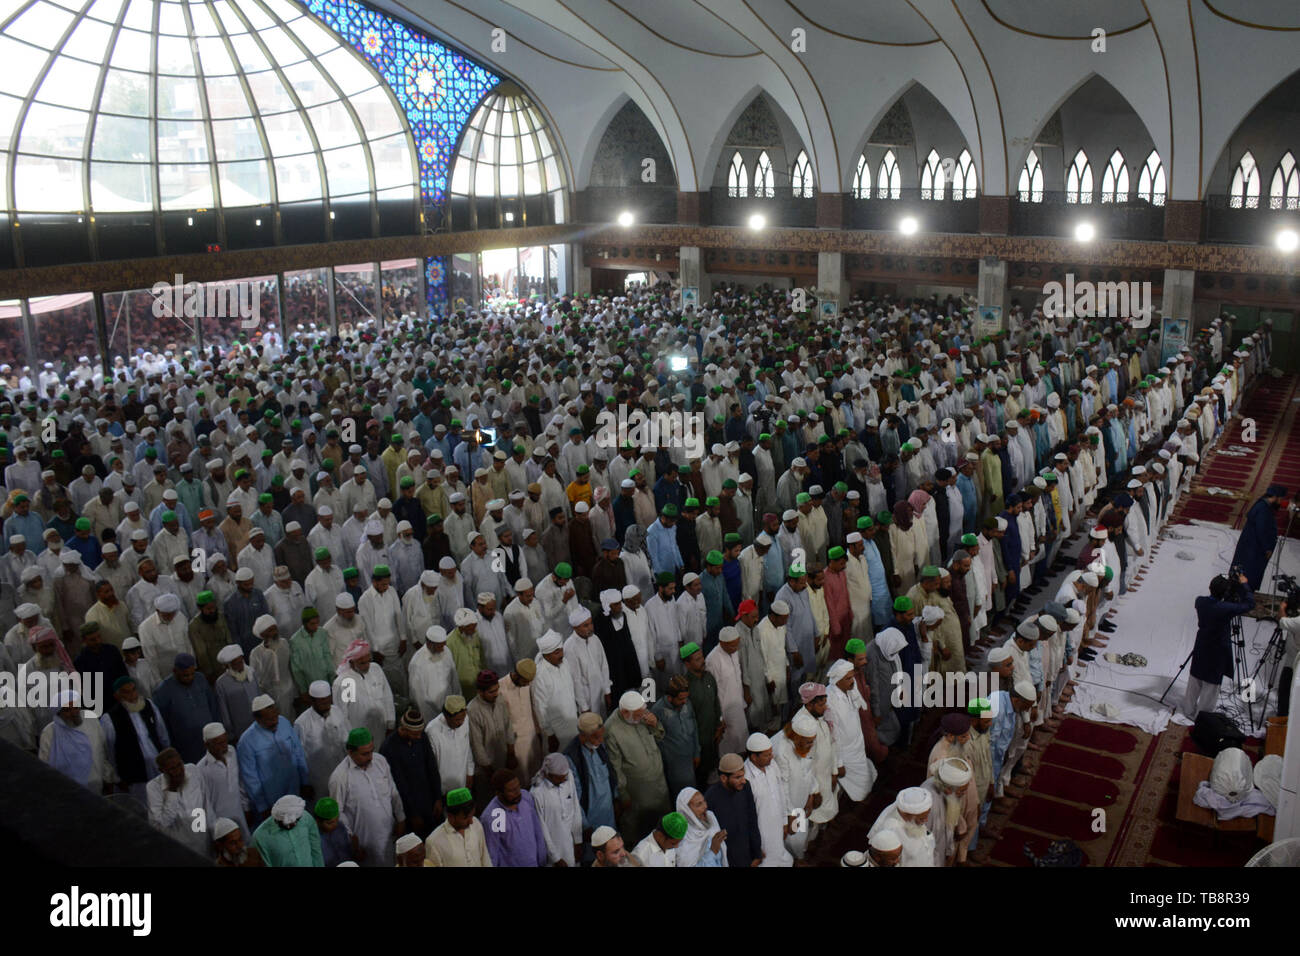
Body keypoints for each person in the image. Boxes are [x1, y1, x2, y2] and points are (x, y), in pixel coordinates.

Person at [1181, 573, 1256, 721]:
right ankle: (1203, 716)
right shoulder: (1225, 608)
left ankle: (1188, 709)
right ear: (1225, 593)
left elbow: (1216, 604)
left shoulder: (1200, 601)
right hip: (1218, 650)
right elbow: (1249, 605)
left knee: (1195, 678)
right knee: (1211, 684)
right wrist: (1245, 585)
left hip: (1202, 644)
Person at [329, 726, 406, 867]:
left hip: (389, 834)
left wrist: (401, 818)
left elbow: (393, 791)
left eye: (371, 751)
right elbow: (337, 813)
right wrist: (352, 842)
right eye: (364, 754)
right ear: (350, 752)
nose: (370, 757)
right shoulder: (340, 777)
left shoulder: (380, 761)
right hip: (364, 840)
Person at [605, 689, 671, 842]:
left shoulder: (642, 715)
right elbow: (615, 767)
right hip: (638, 790)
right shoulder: (612, 729)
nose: (642, 717)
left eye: (642, 713)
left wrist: (655, 724)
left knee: (662, 822)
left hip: (659, 781)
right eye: (637, 715)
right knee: (641, 827)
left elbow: (659, 736)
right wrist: (623, 794)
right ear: (625, 712)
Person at [237, 695, 311, 821]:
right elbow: (250, 777)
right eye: (269, 719)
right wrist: (262, 806)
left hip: (294, 788)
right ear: (257, 718)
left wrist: (305, 781)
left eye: (275, 716)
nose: (274, 721)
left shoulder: (284, 722)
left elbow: (298, 751)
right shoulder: (247, 741)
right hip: (272, 798)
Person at [380, 708, 443, 840]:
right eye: (415, 734)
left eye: (420, 733)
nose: (419, 737)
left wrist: (438, 798)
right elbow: (398, 784)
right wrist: (412, 814)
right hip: (408, 807)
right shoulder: (389, 747)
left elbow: (432, 767)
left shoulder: (421, 737)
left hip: (429, 801)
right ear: (403, 729)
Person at [146, 747, 214, 857]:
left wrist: (214, 834)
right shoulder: (153, 788)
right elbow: (162, 823)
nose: (178, 771)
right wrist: (172, 790)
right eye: (172, 769)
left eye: (179, 765)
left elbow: (206, 805)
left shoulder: (193, 770)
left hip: (203, 840)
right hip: (179, 847)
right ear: (162, 771)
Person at [39, 689, 110, 793]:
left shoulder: (91, 721)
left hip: (95, 786)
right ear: (58, 713)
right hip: (66, 791)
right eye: (67, 710)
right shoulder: (49, 733)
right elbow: (44, 765)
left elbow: (102, 752)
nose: (74, 713)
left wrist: (108, 778)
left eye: (76, 708)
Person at [743, 732, 794, 867]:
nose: (772, 757)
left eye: (771, 753)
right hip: (761, 833)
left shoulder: (772, 766)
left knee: (782, 856)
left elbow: (781, 793)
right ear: (754, 757)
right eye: (767, 755)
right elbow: (746, 816)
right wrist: (753, 845)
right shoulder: (745, 778)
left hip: (777, 825)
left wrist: (784, 821)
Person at [703, 752, 762, 867]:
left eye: (743, 775)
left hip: (746, 853)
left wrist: (757, 853)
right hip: (726, 857)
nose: (743, 781)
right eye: (738, 777)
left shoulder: (745, 788)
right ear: (724, 778)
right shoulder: (710, 797)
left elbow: (752, 821)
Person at [294, 680, 351, 797]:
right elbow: (297, 756)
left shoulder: (337, 711)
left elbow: (348, 738)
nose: (326, 704)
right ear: (312, 701)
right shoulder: (301, 723)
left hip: (341, 771)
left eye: (328, 700)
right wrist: (304, 783)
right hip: (318, 780)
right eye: (322, 701)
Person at [482, 769, 548, 867]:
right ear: (498, 793)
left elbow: (537, 830)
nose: (518, 793)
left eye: (518, 787)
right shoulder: (492, 817)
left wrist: (542, 859)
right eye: (511, 791)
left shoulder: (525, 797)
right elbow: (492, 853)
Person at [531, 752, 583, 866]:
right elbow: (542, 828)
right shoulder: (537, 792)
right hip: (552, 850)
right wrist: (556, 858)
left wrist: (578, 840)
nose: (564, 780)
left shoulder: (567, 776)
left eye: (565, 777)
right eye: (560, 778)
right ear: (548, 774)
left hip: (571, 845)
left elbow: (575, 807)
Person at [867, 785, 936, 867]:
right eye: (922, 818)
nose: (926, 820)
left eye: (926, 816)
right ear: (907, 814)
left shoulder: (913, 821)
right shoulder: (891, 830)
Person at [1232, 485, 1285, 589]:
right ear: (1275, 497)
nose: (1280, 503)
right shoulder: (1263, 509)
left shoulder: (1263, 506)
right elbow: (1262, 530)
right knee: (1250, 572)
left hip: (1253, 546)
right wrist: (1267, 548)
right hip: (1255, 548)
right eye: (1280, 499)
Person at [424, 787, 492, 867]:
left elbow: (485, 858)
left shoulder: (476, 824)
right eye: (465, 818)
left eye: (472, 816)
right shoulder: (434, 842)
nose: (471, 822)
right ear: (451, 816)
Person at [252, 794, 323, 867]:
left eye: (297, 821)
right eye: (286, 824)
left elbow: (316, 851)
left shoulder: (305, 818)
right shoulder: (260, 836)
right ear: (277, 819)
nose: (292, 825)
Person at [673, 786, 727, 867]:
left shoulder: (710, 817)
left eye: (704, 801)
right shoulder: (683, 836)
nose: (705, 806)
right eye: (699, 804)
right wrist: (712, 851)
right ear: (686, 811)